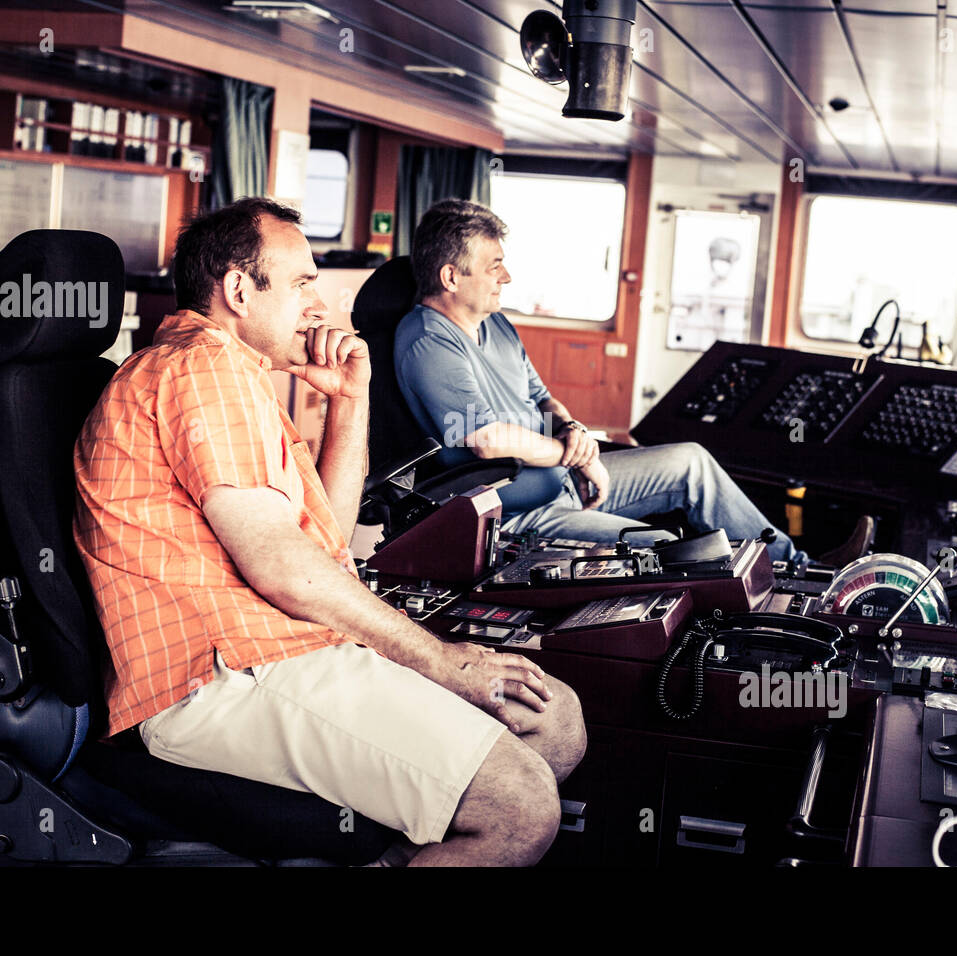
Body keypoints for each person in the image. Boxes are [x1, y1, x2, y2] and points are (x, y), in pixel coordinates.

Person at [74, 197, 586, 866]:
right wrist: (440, 660)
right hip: (219, 677)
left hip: (284, 648)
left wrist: (350, 399)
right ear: (237, 290)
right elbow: (285, 568)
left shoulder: (241, 377)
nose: (318, 306)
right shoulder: (199, 370)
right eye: (301, 284)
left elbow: (326, 545)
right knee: (521, 807)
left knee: (555, 721)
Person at [394, 199, 874, 565]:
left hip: (563, 478)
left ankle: (799, 567)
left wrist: (578, 437)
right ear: (451, 277)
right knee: (664, 548)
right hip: (517, 512)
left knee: (691, 462)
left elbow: (541, 398)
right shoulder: (426, 341)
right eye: (494, 266)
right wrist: (570, 455)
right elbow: (486, 439)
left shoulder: (495, 324)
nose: (508, 277)